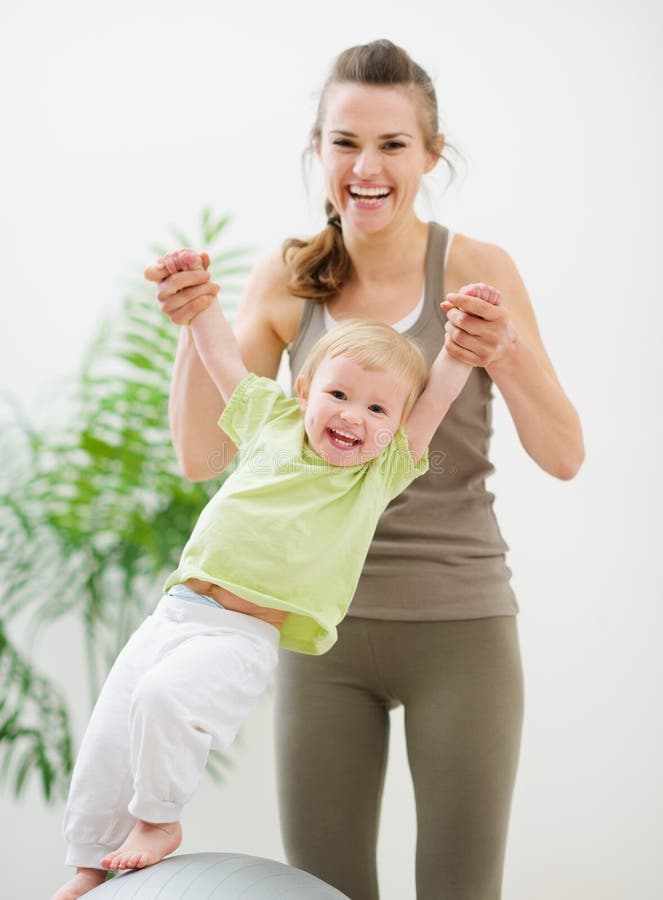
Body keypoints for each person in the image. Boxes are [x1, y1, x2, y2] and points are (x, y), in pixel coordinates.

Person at [145, 39, 584, 900]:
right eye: (345, 142)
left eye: (391, 144)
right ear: (318, 150)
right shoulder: (287, 274)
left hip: (460, 624)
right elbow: (203, 455)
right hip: (316, 631)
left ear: (429, 154)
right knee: (322, 890)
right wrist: (189, 326)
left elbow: (563, 455)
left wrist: (509, 353)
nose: (367, 167)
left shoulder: (476, 270)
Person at [51, 245, 500, 900]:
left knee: (163, 702)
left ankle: (159, 822)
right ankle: (90, 866)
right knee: (109, 741)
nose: (353, 416)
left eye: (378, 410)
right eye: (339, 395)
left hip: (239, 636)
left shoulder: (380, 471)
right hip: (172, 615)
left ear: (398, 428)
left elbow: (436, 394)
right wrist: (197, 303)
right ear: (303, 392)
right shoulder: (271, 419)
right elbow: (221, 357)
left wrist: (460, 343)